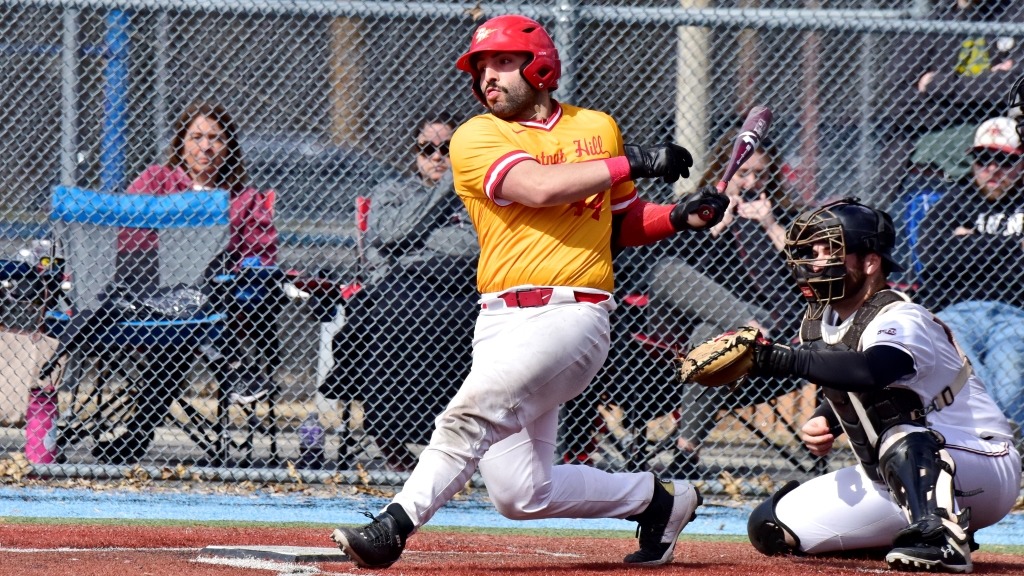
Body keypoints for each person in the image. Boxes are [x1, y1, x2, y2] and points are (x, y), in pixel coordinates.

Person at [329, 14, 730, 569]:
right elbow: (539, 188)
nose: (488, 76)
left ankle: (392, 527)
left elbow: (615, 223)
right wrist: (632, 161)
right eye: (481, 67)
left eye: (502, 62)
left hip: (573, 315)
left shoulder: (597, 127)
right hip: (499, 321)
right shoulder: (477, 135)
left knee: (467, 416)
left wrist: (677, 218)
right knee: (521, 494)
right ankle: (659, 500)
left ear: (540, 65)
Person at [736, 199, 1020, 573]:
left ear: (870, 263)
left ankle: (939, 540)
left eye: (830, 251)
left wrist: (780, 359)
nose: (815, 262)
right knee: (771, 527)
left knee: (900, 429)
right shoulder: (820, 321)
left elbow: (875, 370)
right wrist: (828, 418)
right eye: (811, 252)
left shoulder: (902, 315)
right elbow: (855, 372)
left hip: (981, 463)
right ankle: (918, 530)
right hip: (901, 479)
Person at [93, 101, 280, 465]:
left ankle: (137, 437)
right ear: (181, 143)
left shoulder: (244, 197)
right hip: (150, 295)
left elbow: (263, 253)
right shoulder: (156, 180)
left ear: (229, 147)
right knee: (182, 328)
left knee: (182, 331)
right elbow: (123, 232)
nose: (205, 147)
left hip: (214, 301)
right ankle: (233, 365)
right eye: (196, 137)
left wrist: (234, 264)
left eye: (215, 138)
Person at [317, 112, 479, 471]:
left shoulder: (476, 193)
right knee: (386, 312)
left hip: (460, 288)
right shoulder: (392, 191)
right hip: (401, 288)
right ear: (415, 153)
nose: (437, 157)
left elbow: (476, 245)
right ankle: (390, 436)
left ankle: (457, 443)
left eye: (447, 149)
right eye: (427, 149)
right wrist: (445, 188)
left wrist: (418, 237)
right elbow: (389, 234)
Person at [640, 128, 803, 477]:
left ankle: (686, 454)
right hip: (678, 328)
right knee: (667, 272)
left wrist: (771, 225)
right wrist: (713, 228)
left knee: (711, 333)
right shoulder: (696, 211)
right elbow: (671, 269)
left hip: (758, 325)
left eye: (760, 174)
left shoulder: (781, 216)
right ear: (722, 173)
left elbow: (806, 274)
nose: (750, 182)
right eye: (743, 173)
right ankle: (746, 326)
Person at [917, 116, 1024, 436]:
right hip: (956, 311)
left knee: (1011, 382)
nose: (991, 169)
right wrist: (1010, 245)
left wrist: (967, 241)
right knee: (967, 374)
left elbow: (949, 255)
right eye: (983, 159)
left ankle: (1000, 441)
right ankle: (1003, 438)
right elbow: (932, 254)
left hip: (1015, 313)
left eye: (1004, 161)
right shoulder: (955, 200)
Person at [878, 0, 1024, 206]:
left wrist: (937, 86)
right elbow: (900, 103)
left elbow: (1013, 88)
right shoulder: (932, 22)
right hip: (927, 175)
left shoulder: (1016, 16)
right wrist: (980, 100)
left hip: (997, 171)